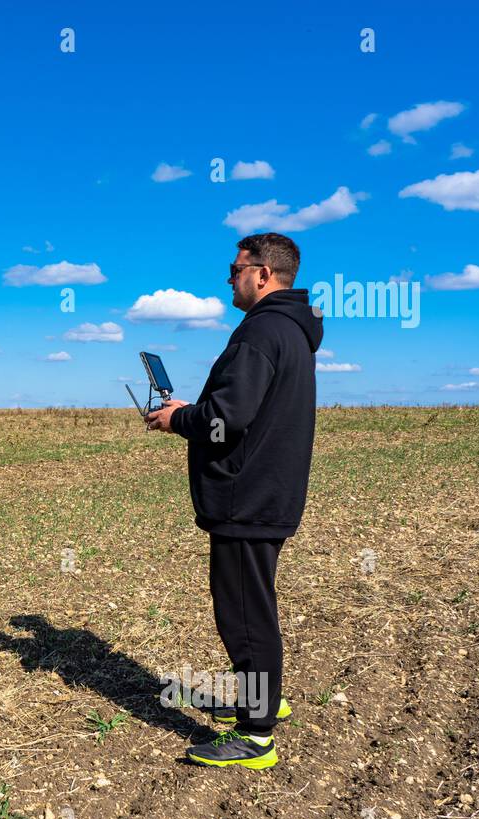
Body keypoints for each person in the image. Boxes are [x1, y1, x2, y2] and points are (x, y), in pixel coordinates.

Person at [144, 232, 323, 770]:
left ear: (263, 273)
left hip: (246, 499)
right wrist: (196, 409)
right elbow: (243, 409)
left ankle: (256, 735)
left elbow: (228, 420)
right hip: (268, 492)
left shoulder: (260, 333)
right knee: (255, 602)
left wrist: (179, 418)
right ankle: (263, 700)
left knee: (244, 611)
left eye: (235, 268)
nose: (229, 278)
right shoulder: (289, 332)